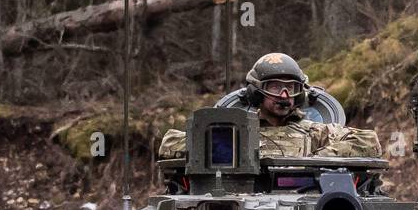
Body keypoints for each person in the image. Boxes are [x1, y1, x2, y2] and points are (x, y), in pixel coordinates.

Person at [158, 52, 381, 160]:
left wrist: (315, 160)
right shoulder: (236, 132)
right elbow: (169, 143)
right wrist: (225, 145)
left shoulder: (315, 131)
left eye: (292, 88)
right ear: (256, 92)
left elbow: (368, 141)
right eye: (276, 88)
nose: (285, 95)